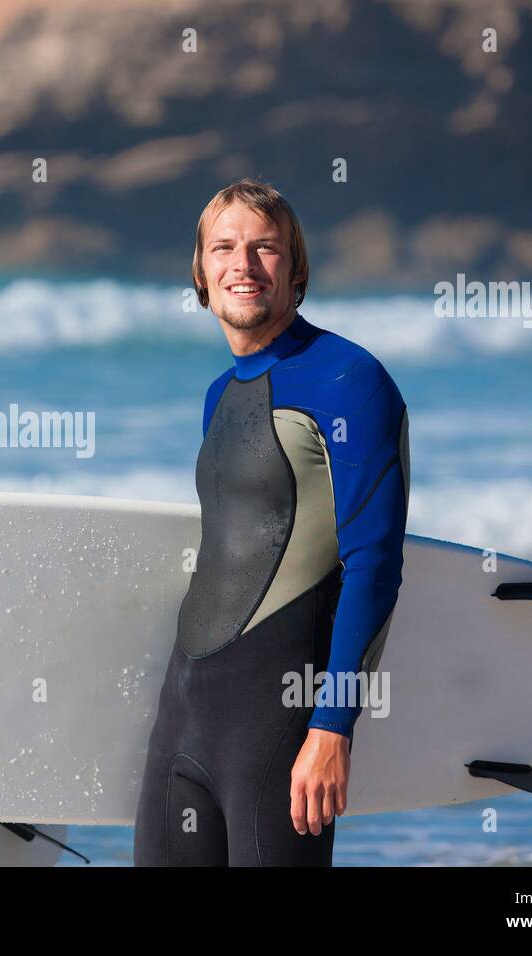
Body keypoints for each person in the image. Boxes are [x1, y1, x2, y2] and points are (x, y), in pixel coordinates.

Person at [134, 179, 409, 866]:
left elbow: (373, 565)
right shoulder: (218, 395)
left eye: (265, 248)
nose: (243, 265)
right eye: (224, 248)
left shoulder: (349, 380)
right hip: (183, 722)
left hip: (279, 732)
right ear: (200, 272)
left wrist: (332, 728)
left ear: (297, 269)